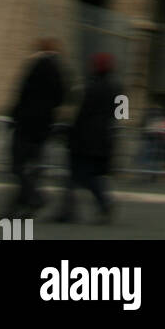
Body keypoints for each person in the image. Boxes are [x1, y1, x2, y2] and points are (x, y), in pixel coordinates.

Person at [4, 38, 68, 217]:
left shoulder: (36, 65)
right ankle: (18, 207)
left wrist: (13, 116)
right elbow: (61, 97)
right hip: (43, 126)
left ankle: (34, 197)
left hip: (26, 123)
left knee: (17, 166)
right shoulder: (59, 69)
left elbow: (23, 94)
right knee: (32, 168)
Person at [54, 53, 118, 224]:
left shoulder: (89, 88)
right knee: (81, 175)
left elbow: (80, 114)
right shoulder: (117, 89)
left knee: (80, 175)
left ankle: (102, 203)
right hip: (104, 138)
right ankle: (67, 210)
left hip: (85, 138)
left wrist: (67, 130)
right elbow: (121, 115)